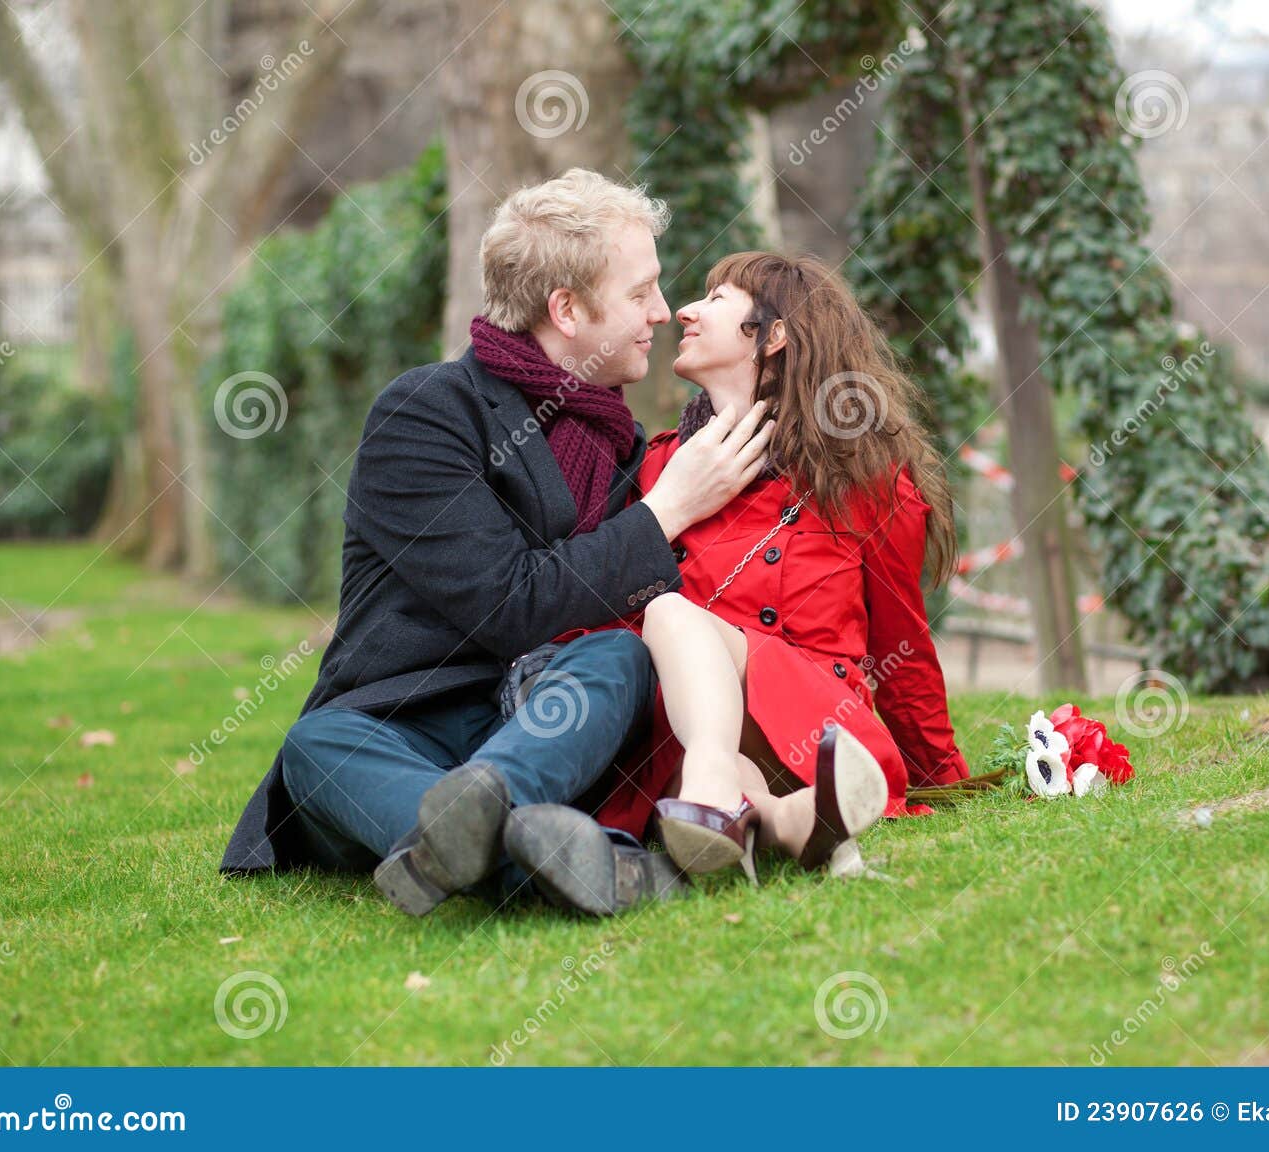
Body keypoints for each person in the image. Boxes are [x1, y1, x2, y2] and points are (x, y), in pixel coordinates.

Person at [219, 170, 774, 918]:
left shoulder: (621, 443)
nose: (662, 309)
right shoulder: (426, 413)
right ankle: (559, 856)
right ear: (567, 309)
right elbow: (510, 603)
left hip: (546, 725)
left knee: (620, 656)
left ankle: (478, 836)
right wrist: (664, 511)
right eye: (640, 291)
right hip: (400, 726)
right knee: (317, 744)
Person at [590, 252, 972, 878]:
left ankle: (717, 784)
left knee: (669, 610)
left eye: (716, 299)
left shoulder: (865, 480)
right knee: (673, 653)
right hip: (684, 726)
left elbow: (903, 643)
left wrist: (942, 777)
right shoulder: (661, 468)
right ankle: (779, 820)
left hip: (813, 725)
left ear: (775, 333)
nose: (683, 310)